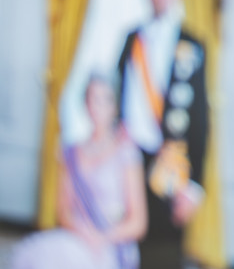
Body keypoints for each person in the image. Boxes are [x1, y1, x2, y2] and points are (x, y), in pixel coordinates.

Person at [116, 0, 208, 269]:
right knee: (127, 247)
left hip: (171, 164)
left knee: (164, 252)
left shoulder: (193, 46)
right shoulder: (132, 38)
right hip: (130, 159)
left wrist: (194, 186)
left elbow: (200, 121)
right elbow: (117, 93)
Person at [12, 74, 147, 269]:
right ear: (85, 103)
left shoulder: (126, 152)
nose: (98, 107)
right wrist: (82, 232)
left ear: (115, 106)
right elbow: (63, 210)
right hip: (77, 237)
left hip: (112, 244)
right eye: (93, 98)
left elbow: (138, 223)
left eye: (105, 99)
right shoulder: (72, 152)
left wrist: (101, 237)